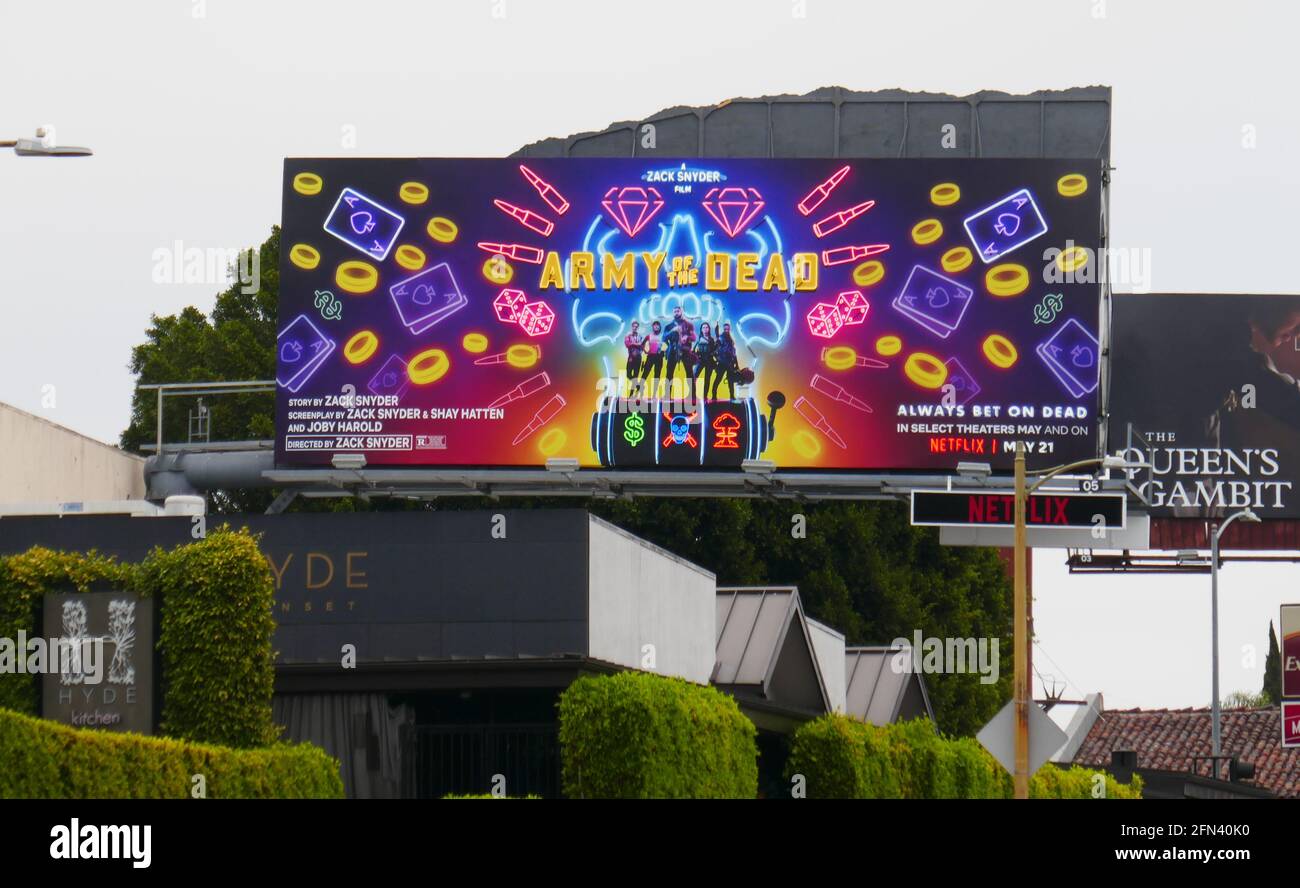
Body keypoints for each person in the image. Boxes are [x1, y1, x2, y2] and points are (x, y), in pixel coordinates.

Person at [714, 322, 740, 400]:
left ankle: (732, 395)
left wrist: (736, 364)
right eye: (725, 329)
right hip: (722, 362)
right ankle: (714, 394)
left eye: (728, 329)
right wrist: (718, 359)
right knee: (718, 378)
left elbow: (733, 353)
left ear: (729, 329)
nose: (726, 330)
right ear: (723, 329)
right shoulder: (721, 337)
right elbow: (716, 347)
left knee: (730, 380)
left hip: (730, 362)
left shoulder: (731, 339)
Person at [639, 320, 665, 397]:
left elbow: (669, 344)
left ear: (660, 327)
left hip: (659, 357)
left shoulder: (663, 336)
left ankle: (654, 393)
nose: (656, 326)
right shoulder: (649, 336)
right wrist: (645, 351)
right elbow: (642, 344)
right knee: (645, 373)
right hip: (650, 356)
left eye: (657, 325)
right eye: (654, 325)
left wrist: (664, 351)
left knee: (657, 375)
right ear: (652, 327)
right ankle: (638, 390)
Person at [694, 322, 718, 401]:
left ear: (709, 329)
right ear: (701, 329)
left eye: (706, 327)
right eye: (703, 327)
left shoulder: (712, 339)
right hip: (700, 360)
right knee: (694, 376)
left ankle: (705, 396)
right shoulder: (698, 339)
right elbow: (694, 350)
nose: (705, 329)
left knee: (707, 379)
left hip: (709, 360)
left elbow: (715, 350)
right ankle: (693, 394)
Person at [623, 321, 645, 391]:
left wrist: (634, 344)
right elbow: (627, 344)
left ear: (638, 328)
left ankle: (633, 392)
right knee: (628, 374)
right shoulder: (628, 335)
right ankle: (638, 385)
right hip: (631, 357)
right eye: (634, 326)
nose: (635, 328)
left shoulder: (640, 336)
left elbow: (641, 345)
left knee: (636, 375)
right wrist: (635, 344)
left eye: (636, 327)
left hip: (638, 357)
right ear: (632, 327)